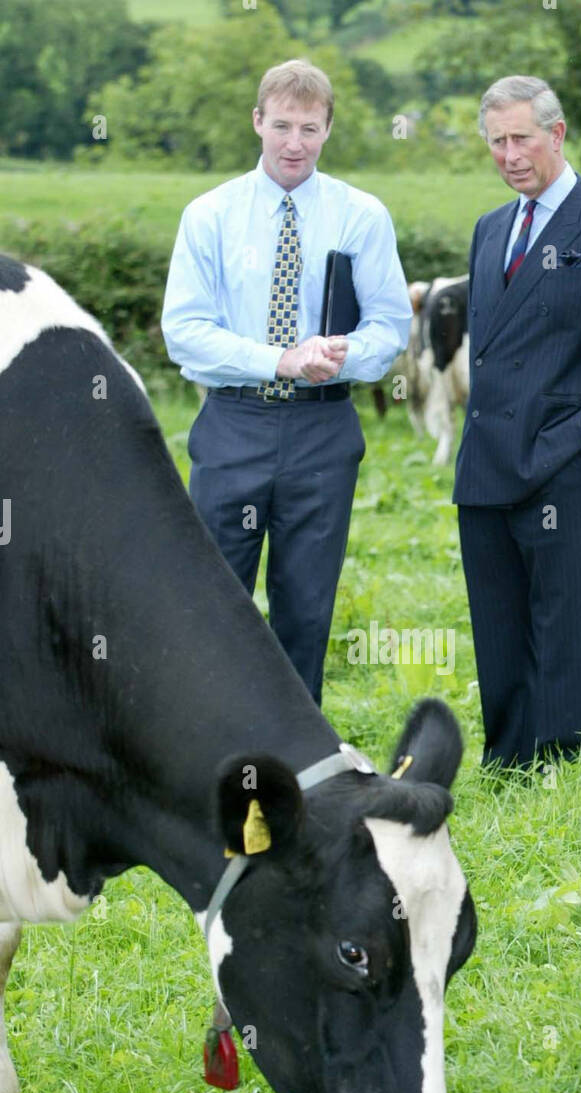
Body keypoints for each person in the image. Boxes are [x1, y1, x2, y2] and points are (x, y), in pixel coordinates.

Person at [162, 59, 411, 706]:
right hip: (234, 425)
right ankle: (204, 751)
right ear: (257, 122)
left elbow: (390, 326)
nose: (294, 143)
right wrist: (280, 359)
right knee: (212, 605)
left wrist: (341, 354)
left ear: (328, 129)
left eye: (309, 128)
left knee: (305, 612)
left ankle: (296, 772)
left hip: (322, 431)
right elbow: (184, 331)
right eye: (281, 126)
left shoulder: (362, 215)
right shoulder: (209, 215)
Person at [454, 75, 581, 770]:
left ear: (557, 133)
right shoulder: (487, 229)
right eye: (497, 141)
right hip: (485, 468)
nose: (509, 154)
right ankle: (506, 765)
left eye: (521, 138)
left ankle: (566, 771)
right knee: (498, 625)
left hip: (562, 469)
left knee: (565, 630)